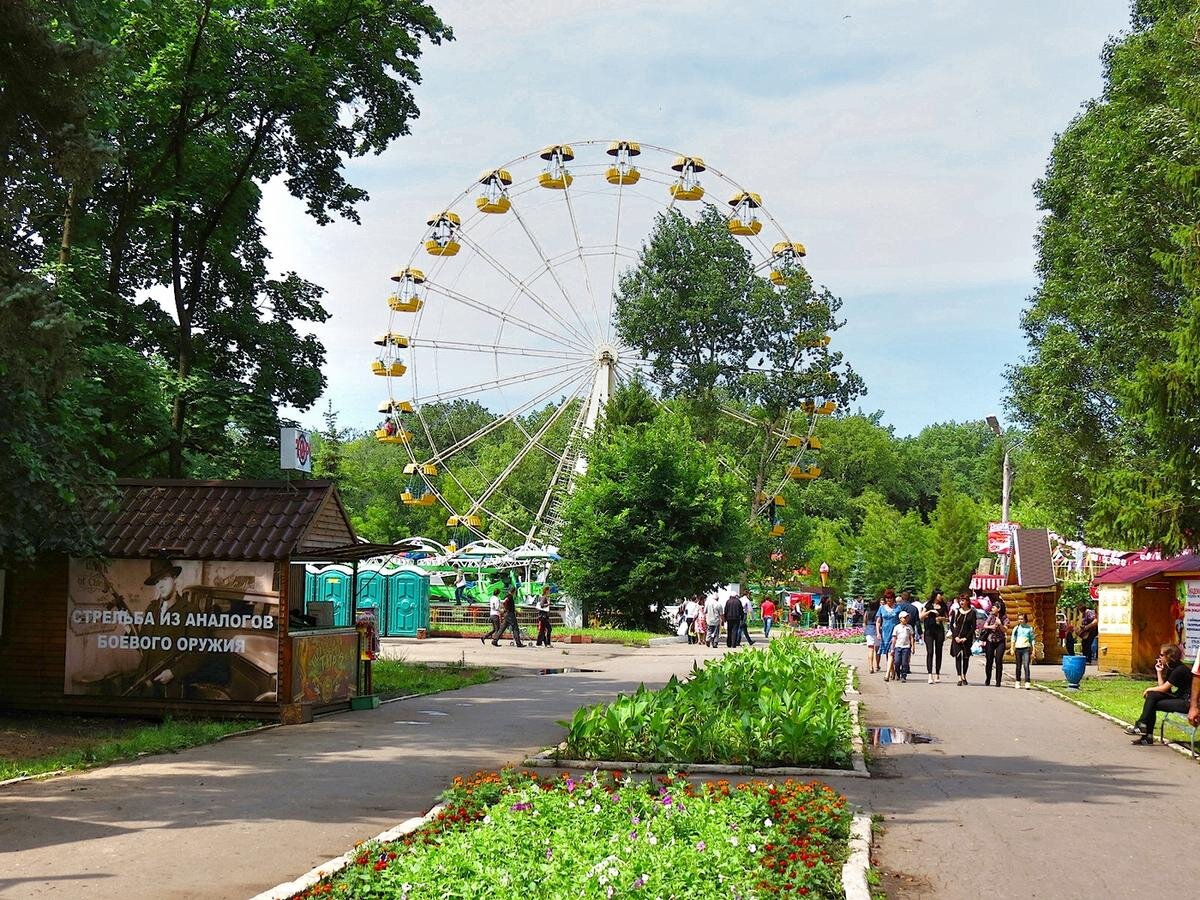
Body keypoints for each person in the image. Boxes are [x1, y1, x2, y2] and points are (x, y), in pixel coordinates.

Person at [1127, 644, 1193, 744]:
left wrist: (1149, 689)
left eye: (1161, 655)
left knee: (1151, 699)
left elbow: (1164, 688)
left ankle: (1144, 729)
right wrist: (1159, 672)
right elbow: (1164, 689)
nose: (1159, 657)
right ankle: (1145, 733)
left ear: (1170, 656)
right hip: (1180, 698)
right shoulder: (1172, 668)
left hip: (1189, 703)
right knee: (1152, 698)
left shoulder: (1180, 670)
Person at [920, 589, 950, 684]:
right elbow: (921, 616)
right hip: (929, 630)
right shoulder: (928, 605)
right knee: (930, 652)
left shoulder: (943, 605)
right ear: (935, 595)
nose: (941, 596)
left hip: (939, 630)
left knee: (938, 651)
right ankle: (930, 674)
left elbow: (948, 619)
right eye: (939, 595)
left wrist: (942, 619)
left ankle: (937, 673)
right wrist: (930, 612)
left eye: (941, 595)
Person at [949, 592, 977, 685]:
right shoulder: (956, 611)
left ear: (967, 601)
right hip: (956, 637)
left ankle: (964, 674)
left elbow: (973, 627)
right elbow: (952, 626)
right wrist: (955, 636)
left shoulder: (972, 612)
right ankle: (959, 677)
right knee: (958, 656)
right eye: (960, 600)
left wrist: (966, 638)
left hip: (966, 638)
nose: (961, 602)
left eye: (963, 600)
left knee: (965, 657)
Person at [980, 600, 1008, 686]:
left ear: (998, 609)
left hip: (1000, 641)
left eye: (994, 607)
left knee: (998, 660)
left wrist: (1000, 624)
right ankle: (988, 678)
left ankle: (998, 681)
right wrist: (991, 626)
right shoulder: (991, 616)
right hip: (990, 640)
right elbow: (984, 625)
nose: (992, 608)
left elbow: (1005, 630)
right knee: (989, 660)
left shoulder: (1005, 618)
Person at [875, 589, 900, 681]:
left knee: (891, 653)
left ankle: (887, 674)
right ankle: (893, 672)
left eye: (890, 598)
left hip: (895, 633)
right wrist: (878, 633)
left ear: (893, 598)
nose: (889, 600)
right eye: (887, 598)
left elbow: (902, 619)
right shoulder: (881, 608)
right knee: (887, 653)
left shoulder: (898, 608)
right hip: (885, 633)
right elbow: (878, 621)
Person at [1011, 613, 1036, 689]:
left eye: (1022, 619)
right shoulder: (1016, 628)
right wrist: (1012, 648)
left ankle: (1027, 682)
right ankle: (1018, 681)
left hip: (1026, 648)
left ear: (1025, 619)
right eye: (1019, 619)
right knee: (1018, 666)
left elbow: (1032, 640)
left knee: (1026, 665)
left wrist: (1033, 650)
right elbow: (1013, 639)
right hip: (1018, 648)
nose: (1020, 620)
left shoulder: (1029, 628)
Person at [892, 611, 915, 682]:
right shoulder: (896, 627)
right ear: (900, 618)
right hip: (898, 647)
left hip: (906, 647)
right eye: (904, 618)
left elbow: (911, 637)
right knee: (897, 661)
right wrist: (893, 648)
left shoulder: (909, 627)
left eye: (907, 617)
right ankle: (897, 673)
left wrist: (913, 647)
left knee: (905, 662)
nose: (906, 619)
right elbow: (894, 638)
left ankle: (903, 675)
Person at [864, 597, 881, 674]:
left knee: (870, 649)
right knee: (877, 649)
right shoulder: (879, 612)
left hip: (869, 630)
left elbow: (865, 621)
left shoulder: (867, 612)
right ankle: (877, 665)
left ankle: (871, 666)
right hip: (877, 630)